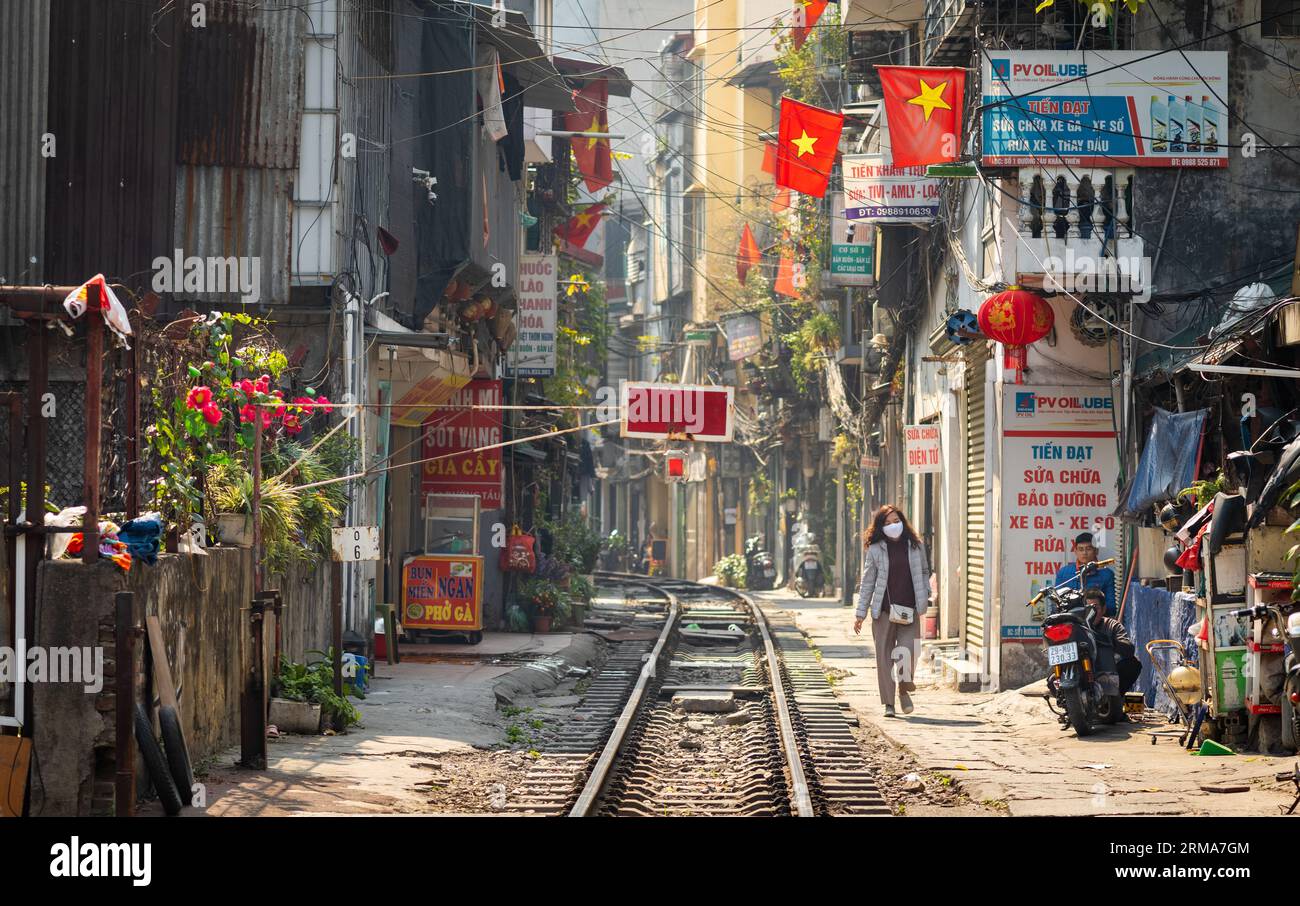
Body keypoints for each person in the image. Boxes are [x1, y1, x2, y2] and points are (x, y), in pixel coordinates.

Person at [853, 505, 933, 718]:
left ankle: (903, 687)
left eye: (895, 521)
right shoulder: (875, 549)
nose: (892, 526)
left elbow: (925, 571)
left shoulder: (915, 546)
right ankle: (889, 704)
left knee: (908, 652)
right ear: (880, 526)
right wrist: (860, 614)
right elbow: (868, 582)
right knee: (885, 658)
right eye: (887, 523)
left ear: (903, 522)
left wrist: (925, 592)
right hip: (884, 612)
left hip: (910, 610)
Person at [1083, 588, 1141, 707]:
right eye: (1088, 609)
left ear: (1104, 609)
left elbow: (1129, 649)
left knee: (1133, 664)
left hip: (1106, 670)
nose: (1092, 613)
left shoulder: (1112, 625)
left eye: (1096, 608)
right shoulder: (1079, 627)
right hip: (1083, 671)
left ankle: (1114, 700)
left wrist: (1110, 641)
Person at [1054, 532, 1116, 615]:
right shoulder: (1063, 573)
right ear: (1075, 551)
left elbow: (1111, 607)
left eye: (1088, 549)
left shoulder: (1106, 574)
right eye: (1081, 549)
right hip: (1069, 620)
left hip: (1096, 622)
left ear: (1096, 551)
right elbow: (1056, 603)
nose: (1084, 553)